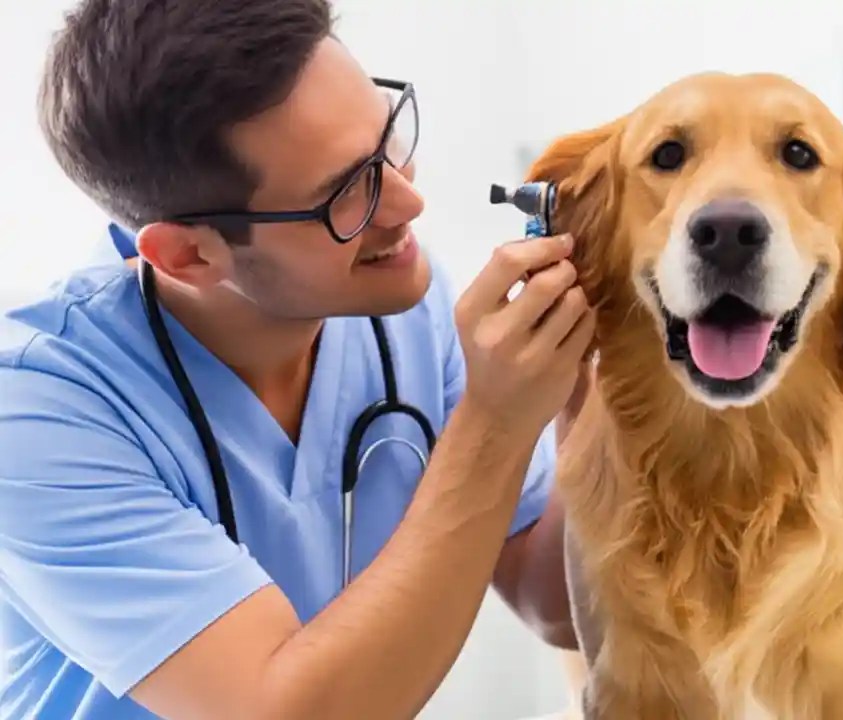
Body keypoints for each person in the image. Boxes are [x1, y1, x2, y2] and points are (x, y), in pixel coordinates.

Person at [0, 1, 595, 718]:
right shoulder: (36, 411)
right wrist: (495, 423)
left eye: (388, 137)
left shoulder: (403, 303)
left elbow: (555, 602)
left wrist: (592, 399)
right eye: (346, 193)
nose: (407, 201)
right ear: (190, 254)